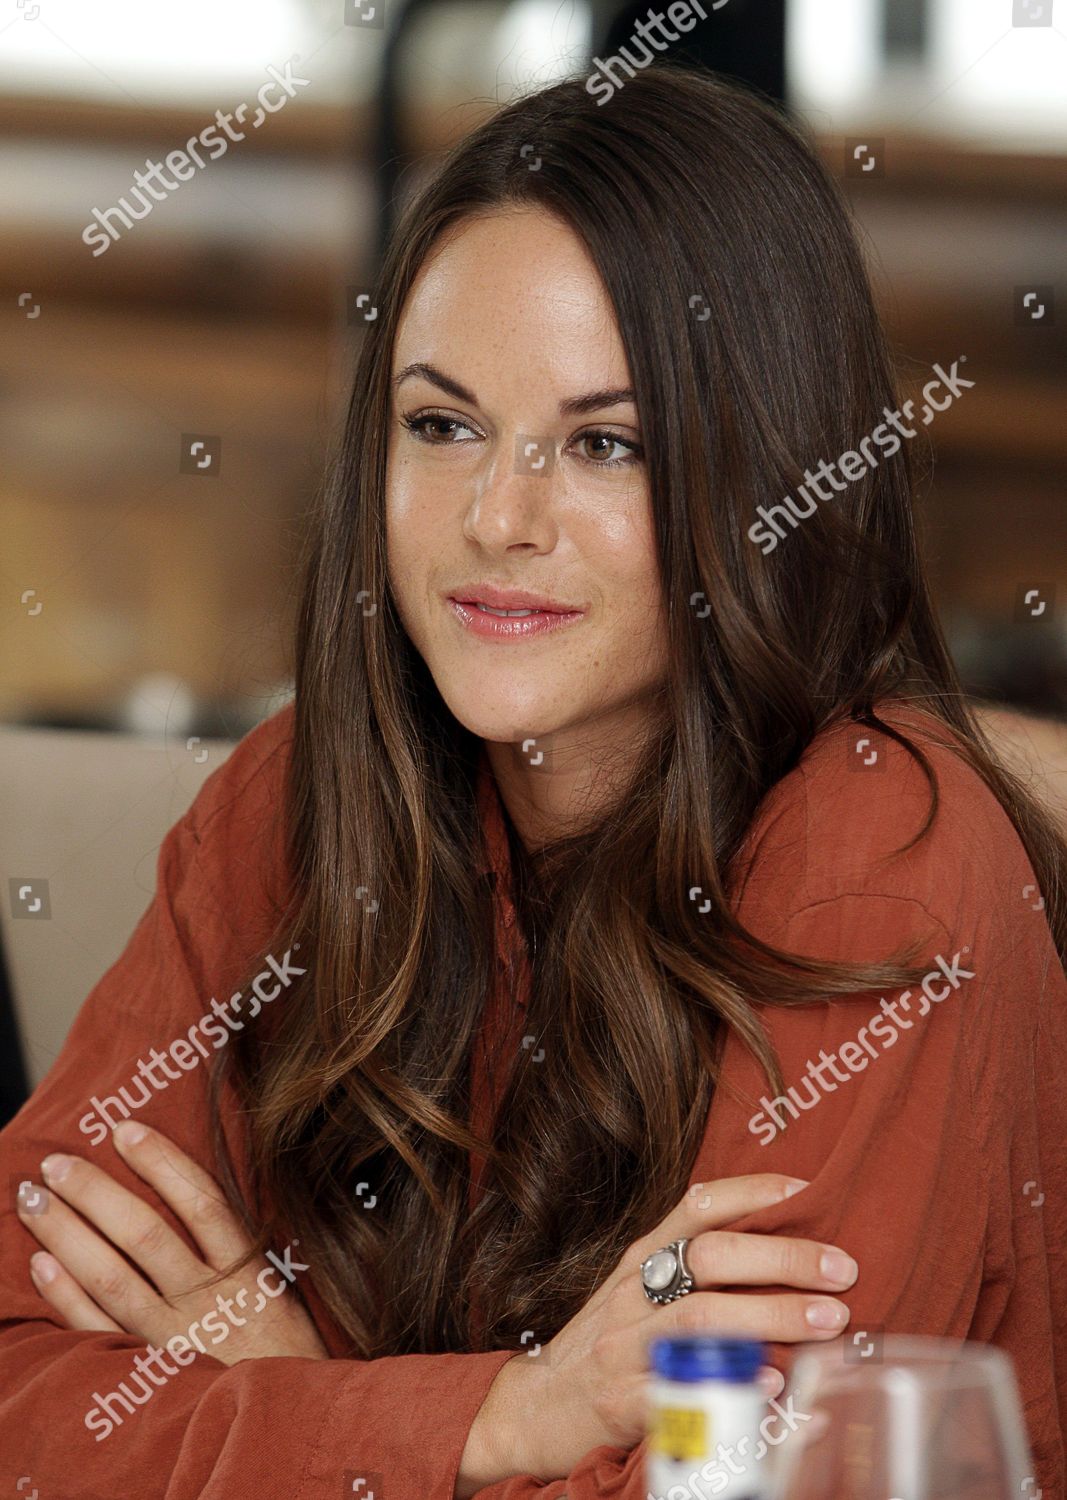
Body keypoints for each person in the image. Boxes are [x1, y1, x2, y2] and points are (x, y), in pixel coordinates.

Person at [2, 63, 1065, 1500]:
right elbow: (18, 1393)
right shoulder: (301, 795)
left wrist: (296, 1402)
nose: (498, 518)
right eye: (442, 425)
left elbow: (718, 1488)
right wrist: (500, 1422)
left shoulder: (881, 858)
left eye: (605, 444)